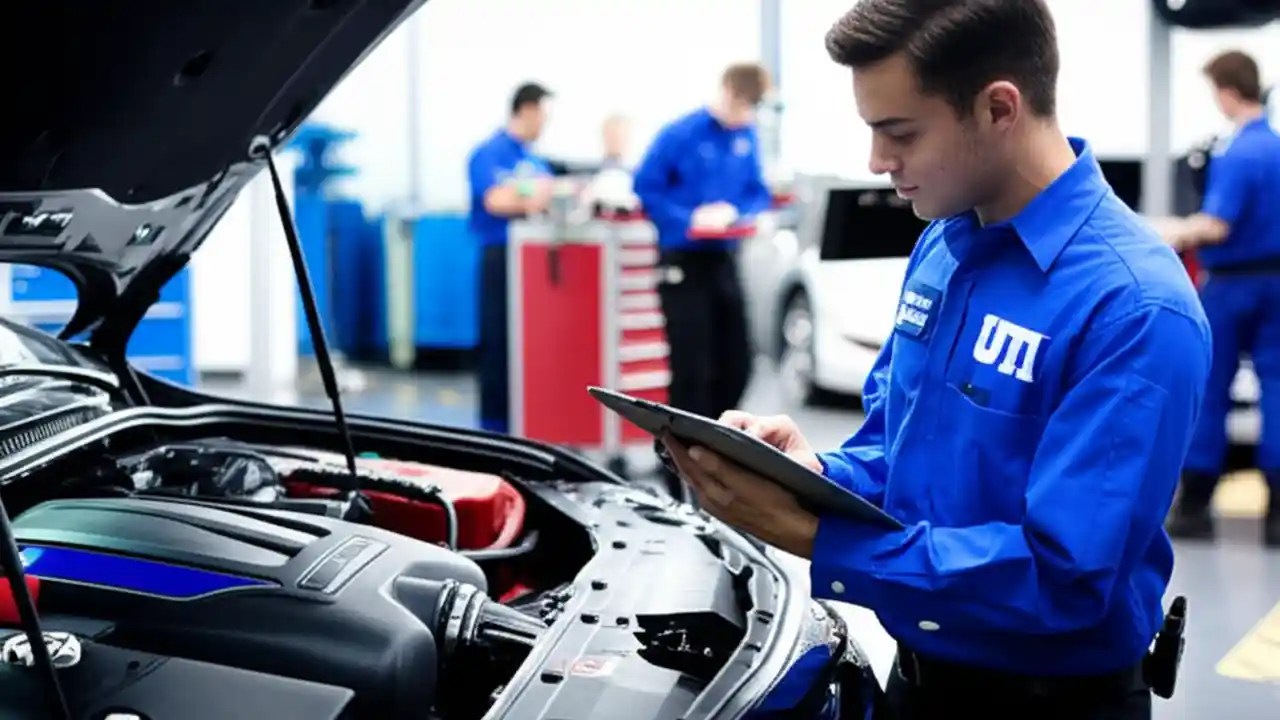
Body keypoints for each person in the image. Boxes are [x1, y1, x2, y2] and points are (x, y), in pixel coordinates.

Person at [657, 1, 1211, 718]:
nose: (877, 162)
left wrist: (818, 537)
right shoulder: (944, 248)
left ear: (999, 108)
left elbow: (1063, 578)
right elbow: (899, 453)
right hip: (914, 683)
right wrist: (816, 476)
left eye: (900, 133)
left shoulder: (1134, 308)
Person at [1157, 50, 1280, 547]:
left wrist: (1170, 231)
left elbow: (1216, 224)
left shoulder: (1239, 153)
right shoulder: (1276, 147)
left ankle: (1194, 506)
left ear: (1227, 91)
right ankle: (1277, 515)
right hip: (1278, 283)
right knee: (1278, 387)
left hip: (1231, 286)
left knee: (1210, 388)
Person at [632, 62, 774, 484]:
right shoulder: (680, 134)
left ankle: (709, 450)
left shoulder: (746, 136)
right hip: (682, 261)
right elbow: (646, 187)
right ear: (728, 92)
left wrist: (739, 213)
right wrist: (691, 217)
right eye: (745, 105)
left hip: (723, 259)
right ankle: (675, 469)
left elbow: (757, 191)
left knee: (738, 363)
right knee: (690, 370)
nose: (748, 116)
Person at [466, 82, 555, 434]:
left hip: (532, 262)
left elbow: (547, 194)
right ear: (528, 109)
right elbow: (495, 200)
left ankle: (525, 426)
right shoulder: (489, 153)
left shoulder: (534, 159)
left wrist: (526, 194)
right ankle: (494, 429)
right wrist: (533, 195)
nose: (545, 125)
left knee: (526, 348)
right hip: (499, 257)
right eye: (544, 116)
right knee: (498, 344)